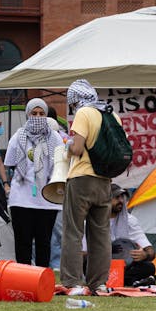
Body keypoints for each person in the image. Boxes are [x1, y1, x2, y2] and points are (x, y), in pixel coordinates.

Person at [60, 79, 116, 296]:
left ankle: (73, 282)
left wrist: (66, 143)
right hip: (105, 181)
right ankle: (99, 284)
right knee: (101, 235)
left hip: (82, 179)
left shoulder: (84, 113)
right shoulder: (110, 113)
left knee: (73, 231)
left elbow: (77, 148)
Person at [4, 98, 62, 267]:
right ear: (27, 114)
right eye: (33, 113)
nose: (37, 117)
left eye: (41, 113)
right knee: (23, 243)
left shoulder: (55, 138)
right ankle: (24, 281)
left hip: (47, 199)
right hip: (21, 198)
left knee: (44, 243)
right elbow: (10, 163)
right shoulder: (17, 136)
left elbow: (59, 165)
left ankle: (41, 281)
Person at [104, 184, 156, 286]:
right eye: (116, 197)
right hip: (101, 265)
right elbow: (83, 254)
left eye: (122, 197)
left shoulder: (130, 221)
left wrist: (145, 255)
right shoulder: (93, 221)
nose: (121, 201)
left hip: (125, 267)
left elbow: (151, 252)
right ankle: (132, 281)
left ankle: (120, 279)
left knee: (149, 267)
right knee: (87, 264)